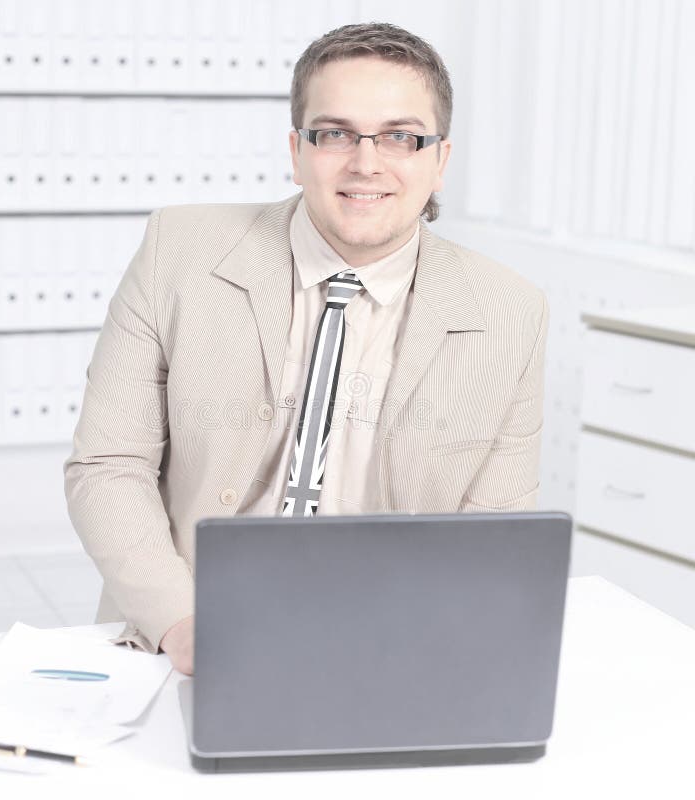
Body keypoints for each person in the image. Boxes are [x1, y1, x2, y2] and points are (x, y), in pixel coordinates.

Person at [63, 22, 549, 676]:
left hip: (390, 643)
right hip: (184, 629)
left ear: (440, 160)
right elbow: (107, 464)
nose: (366, 163)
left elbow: (494, 534)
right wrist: (182, 625)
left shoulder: (510, 311)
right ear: (296, 150)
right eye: (335, 134)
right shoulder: (176, 252)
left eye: (402, 137)